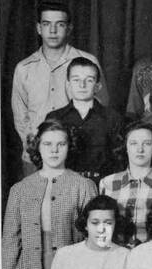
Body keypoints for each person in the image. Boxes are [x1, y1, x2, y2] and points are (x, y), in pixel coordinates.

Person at [1, 118, 97, 269]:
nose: (54, 150)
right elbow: (10, 239)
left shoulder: (83, 186)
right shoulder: (21, 188)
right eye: (47, 144)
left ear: (69, 146)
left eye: (60, 144)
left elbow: (93, 238)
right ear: (37, 147)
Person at [11, 1, 107, 175]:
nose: (53, 31)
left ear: (69, 28)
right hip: (35, 158)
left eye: (60, 24)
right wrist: (34, 147)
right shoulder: (24, 68)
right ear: (39, 28)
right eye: (47, 24)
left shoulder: (87, 62)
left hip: (77, 157)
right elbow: (20, 116)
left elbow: (100, 108)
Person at [99, 121, 152, 248]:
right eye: (133, 143)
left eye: (147, 143)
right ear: (125, 147)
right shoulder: (107, 183)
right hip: (115, 257)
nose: (140, 149)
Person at [44, 56, 124, 184]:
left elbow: (119, 161)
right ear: (68, 84)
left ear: (98, 86)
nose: (82, 85)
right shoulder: (54, 118)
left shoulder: (113, 118)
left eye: (89, 80)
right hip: (63, 185)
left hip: (102, 186)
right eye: (76, 80)